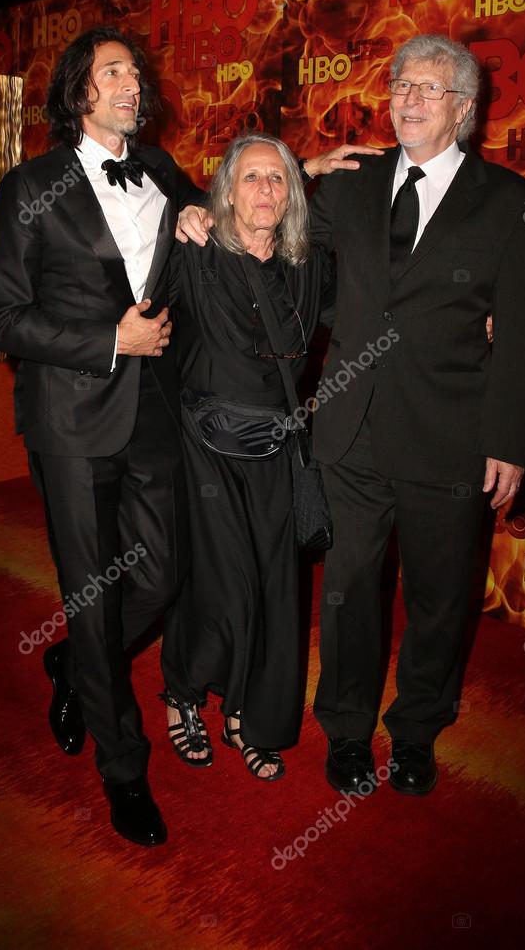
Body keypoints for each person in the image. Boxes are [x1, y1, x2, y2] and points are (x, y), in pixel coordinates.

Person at [301, 33, 525, 796]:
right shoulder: (350, 179)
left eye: (427, 89)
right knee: (346, 584)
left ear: (465, 110)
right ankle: (345, 727)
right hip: (350, 426)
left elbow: (522, 339)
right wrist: (299, 169)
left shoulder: (514, 204)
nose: (406, 99)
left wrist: (509, 441)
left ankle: (415, 729)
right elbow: (269, 230)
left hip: (451, 432)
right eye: (400, 84)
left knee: (441, 595)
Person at [0, 26, 206, 846]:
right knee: (94, 594)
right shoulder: (30, 185)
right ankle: (124, 771)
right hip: (70, 419)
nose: (132, 82)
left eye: (136, 72)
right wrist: (113, 341)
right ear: (80, 91)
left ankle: (77, 661)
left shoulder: (159, 171)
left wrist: (269, 190)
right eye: (114, 71)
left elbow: (206, 210)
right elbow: (2, 316)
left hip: (153, 410)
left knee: (164, 571)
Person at [159, 133, 335, 780]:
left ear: (291, 196)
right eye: (252, 177)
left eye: (278, 179)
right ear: (227, 191)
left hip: (279, 446)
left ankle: (250, 716)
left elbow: (366, 309)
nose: (265, 189)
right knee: (226, 583)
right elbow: (132, 278)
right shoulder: (197, 252)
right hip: (208, 446)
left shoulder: (308, 262)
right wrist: (182, 212)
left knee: (277, 589)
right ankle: (183, 692)